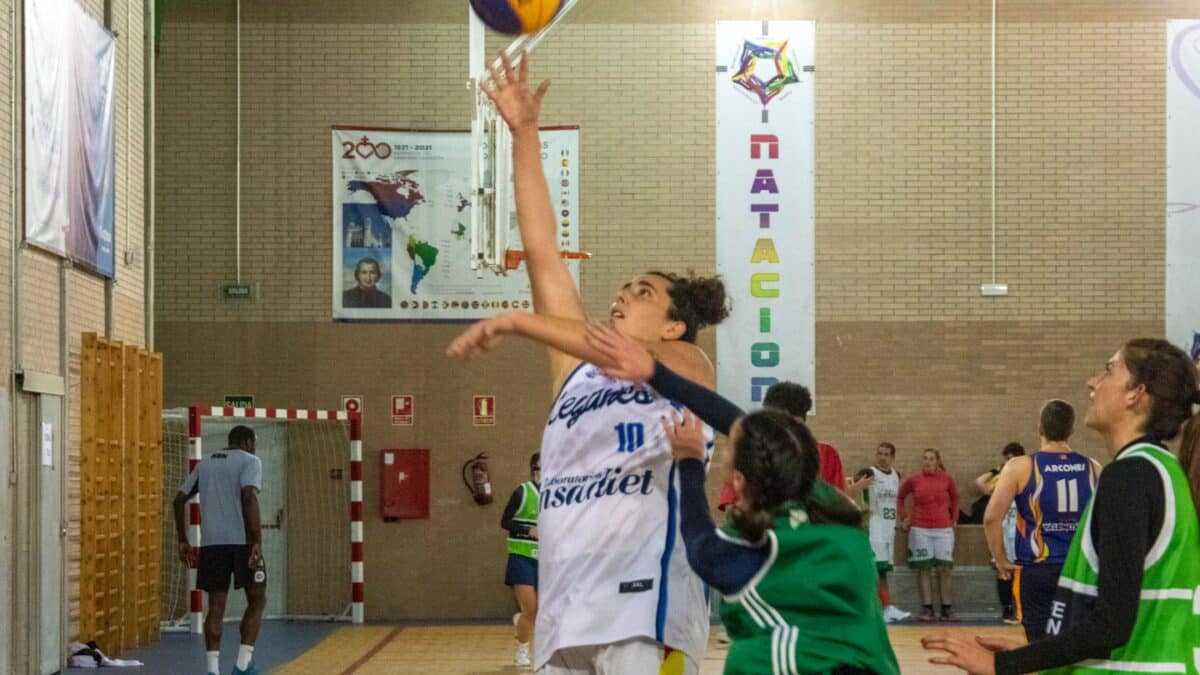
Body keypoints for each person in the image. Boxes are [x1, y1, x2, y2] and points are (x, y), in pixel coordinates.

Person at [446, 52, 728, 674]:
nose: (622, 294)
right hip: (567, 606)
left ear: (675, 323)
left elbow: (623, 351)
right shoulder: (572, 369)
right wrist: (523, 135)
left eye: (643, 292)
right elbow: (543, 250)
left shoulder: (688, 360)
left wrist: (520, 322)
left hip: (645, 607)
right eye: (622, 287)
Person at [581, 321, 899, 675]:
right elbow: (743, 425)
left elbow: (701, 546)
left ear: (739, 479)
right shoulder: (834, 519)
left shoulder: (759, 550)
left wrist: (688, 464)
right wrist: (656, 373)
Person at [924, 338, 1200, 674]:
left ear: (1136, 394)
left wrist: (1005, 664)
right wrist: (1041, 652)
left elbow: (1112, 624)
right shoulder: (1159, 468)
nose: (1092, 382)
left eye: (1108, 370)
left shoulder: (1129, 476)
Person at [984, 401, 1101, 642]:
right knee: (1075, 643)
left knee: (1039, 646)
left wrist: (1001, 559)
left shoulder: (1020, 466)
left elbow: (991, 517)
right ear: (1071, 430)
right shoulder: (1093, 467)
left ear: (1040, 428)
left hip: (1039, 567)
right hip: (1078, 569)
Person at [172, 425, 265, 675]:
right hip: (243, 543)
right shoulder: (251, 461)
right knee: (257, 600)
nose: (254, 447)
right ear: (247, 442)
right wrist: (257, 541)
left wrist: (183, 539)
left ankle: (213, 670)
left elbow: (179, 499)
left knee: (215, 606)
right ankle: (243, 665)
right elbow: (248, 497)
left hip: (212, 545)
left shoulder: (205, 463)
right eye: (253, 443)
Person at [716, 381, 845, 511]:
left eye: (794, 429)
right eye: (781, 430)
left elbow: (837, 506)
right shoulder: (749, 453)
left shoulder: (827, 455)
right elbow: (732, 508)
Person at [846, 442, 912, 623]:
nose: (882, 457)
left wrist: (900, 522)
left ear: (892, 457)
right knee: (874, 570)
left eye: (886, 454)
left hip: (888, 530)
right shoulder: (869, 472)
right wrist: (860, 485)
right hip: (873, 529)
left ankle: (886, 607)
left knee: (883, 571)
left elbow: (893, 505)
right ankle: (877, 608)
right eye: (879, 453)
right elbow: (848, 492)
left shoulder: (896, 476)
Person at [897, 448, 960, 622]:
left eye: (931, 458)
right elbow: (900, 497)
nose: (927, 461)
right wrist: (905, 517)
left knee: (945, 568)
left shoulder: (947, 478)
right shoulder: (914, 480)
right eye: (924, 458)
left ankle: (947, 608)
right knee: (924, 569)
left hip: (943, 529)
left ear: (937, 461)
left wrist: (954, 518)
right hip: (920, 529)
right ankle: (928, 608)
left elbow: (955, 498)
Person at [974, 442, 1026, 624]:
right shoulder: (1000, 481)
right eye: (1006, 459)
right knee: (1003, 571)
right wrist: (996, 470)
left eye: (1012, 459)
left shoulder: (1027, 479)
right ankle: (1007, 609)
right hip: (1004, 532)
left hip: (1021, 532)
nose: (1008, 463)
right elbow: (980, 483)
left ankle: (1022, 608)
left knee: (1022, 571)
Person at [500, 452, 541, 667]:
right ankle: (522, 650)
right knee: (531, 609)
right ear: (536, 467)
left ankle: (521, 623)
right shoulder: (522, 492)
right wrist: (528, 530)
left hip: (547, 560)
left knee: (541, 611)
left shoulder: (557, 494)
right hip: (522, 556)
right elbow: (505, 521)